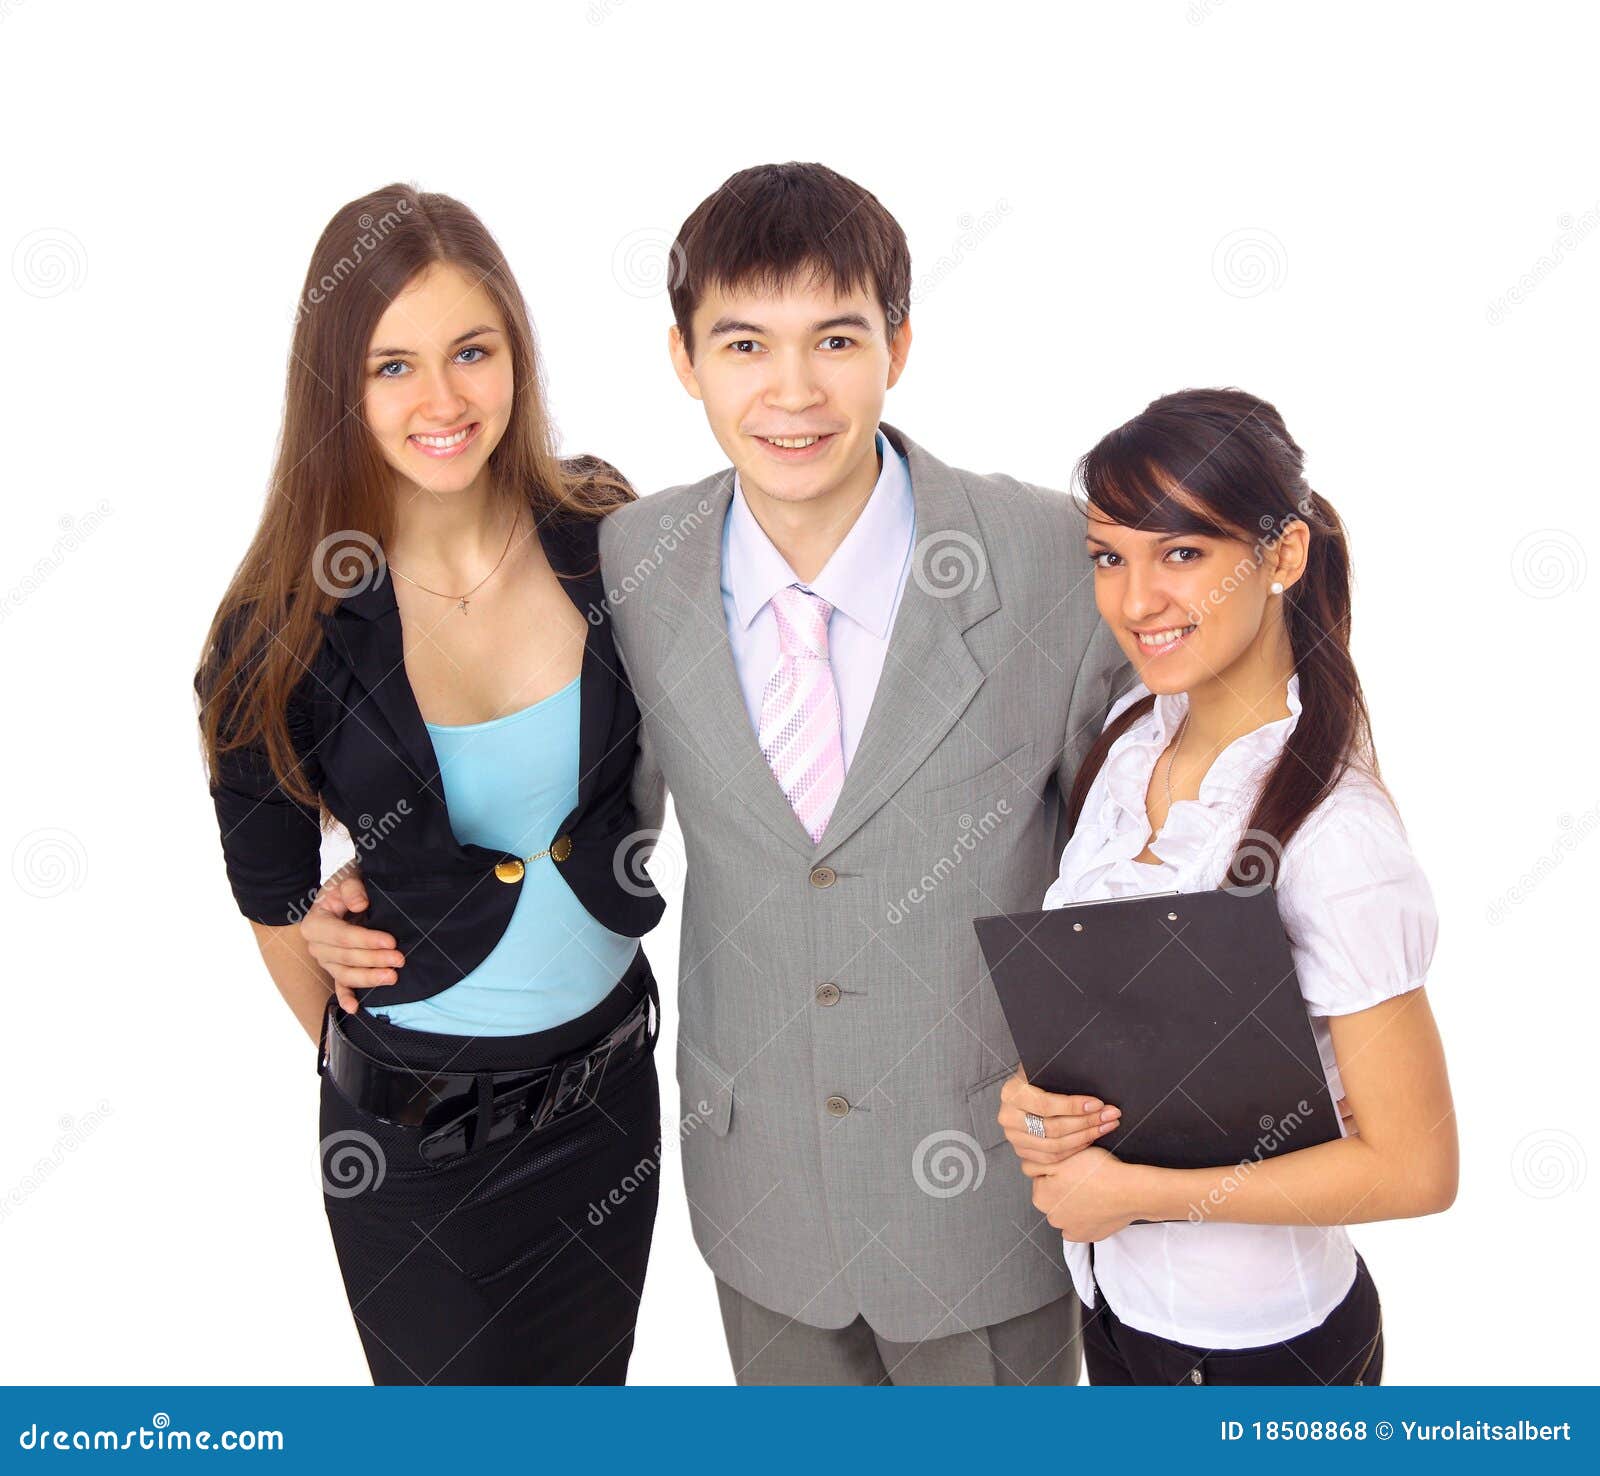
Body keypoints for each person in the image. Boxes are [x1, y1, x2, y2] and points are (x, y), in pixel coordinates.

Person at [302, 162, 1136, 1385]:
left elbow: (1144, 837)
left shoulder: (1052, 564)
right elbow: (561, 788)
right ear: (684, 361)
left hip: (984, 1196)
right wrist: (360, 893)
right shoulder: (636, 563)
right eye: (744, 343)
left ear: (898, 345)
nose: (791, 392)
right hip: (760, 1196)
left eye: (835, 339)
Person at [194, 185, 665, 1385]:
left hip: (612, 1103)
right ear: (336, 391)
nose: (442, 400)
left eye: (471, 351)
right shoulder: (278, 626)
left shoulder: (604, 529)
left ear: (516, 355)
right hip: (414, 1152)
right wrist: (403, 1095)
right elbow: (272, 907)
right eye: (392, 366)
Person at [998, 388, 1457, 1385]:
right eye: (1109, 557)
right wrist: (1038, 1105)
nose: (1134, 601)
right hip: (1114, 1314)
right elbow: (1129, 1021)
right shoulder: (1126, 749)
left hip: (1262, 1353)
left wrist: (1138, 1194)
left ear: (1281, 556)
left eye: (1182, 554)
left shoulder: (1335, 838)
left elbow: (1415, 1169)